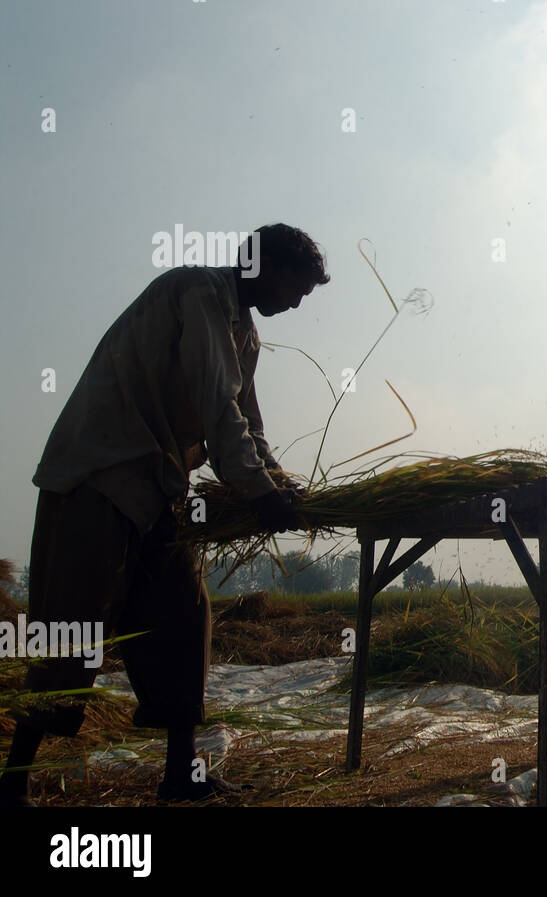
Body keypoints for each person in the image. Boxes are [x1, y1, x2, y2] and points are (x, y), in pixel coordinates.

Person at [0, 223, 326, 806]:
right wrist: (259, 491)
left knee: (183, 616)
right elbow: (217, 404)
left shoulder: (243, 333)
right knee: (72, 632)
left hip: (157, 490)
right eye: (296, 286)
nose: (298, 301)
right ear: (265, 265)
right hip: (99, 477)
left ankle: (180, 776)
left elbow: (247, 424)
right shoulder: (197, 293)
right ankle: (12, 782)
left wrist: (280, 486)